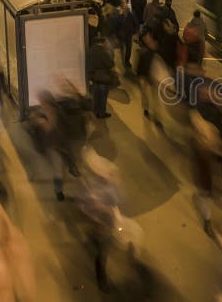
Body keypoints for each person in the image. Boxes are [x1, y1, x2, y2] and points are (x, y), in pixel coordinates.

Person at [76, 148, 120, 292]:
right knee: (102, 254)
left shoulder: (104, 185)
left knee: (103, 245)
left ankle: (92, 243)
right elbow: (84, 206)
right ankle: (103, 282)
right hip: (101, 225)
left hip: (103, 223)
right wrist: (103, 209)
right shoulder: (95, 189)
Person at [190, 109, 222, 238]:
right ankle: (207, 221)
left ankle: (207, 219)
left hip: (204, 177)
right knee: (205, 197)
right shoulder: (200, 148)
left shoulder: (199, 143)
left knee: (205, 196)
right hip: (204, 180)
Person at [87, 36, 115, 119]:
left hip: (93, 78)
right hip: (103, 78)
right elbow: (110, 64)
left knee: (95, 97)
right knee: (103, 97)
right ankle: (101, 113)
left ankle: (95, 112)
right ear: (102, 42)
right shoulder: (103, 52)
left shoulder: (90, 50)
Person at [117, 1, 138, 69]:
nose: (125, 10)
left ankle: (126, 61)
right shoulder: (120, 16)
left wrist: (133, 32)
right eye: (124, 9)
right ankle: (122, 60)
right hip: (121, 35)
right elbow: (117, 25)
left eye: (127, 9)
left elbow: (136, 25)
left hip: (128, 35)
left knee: (128, 49)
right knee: (122, 48)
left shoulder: (132, 15)